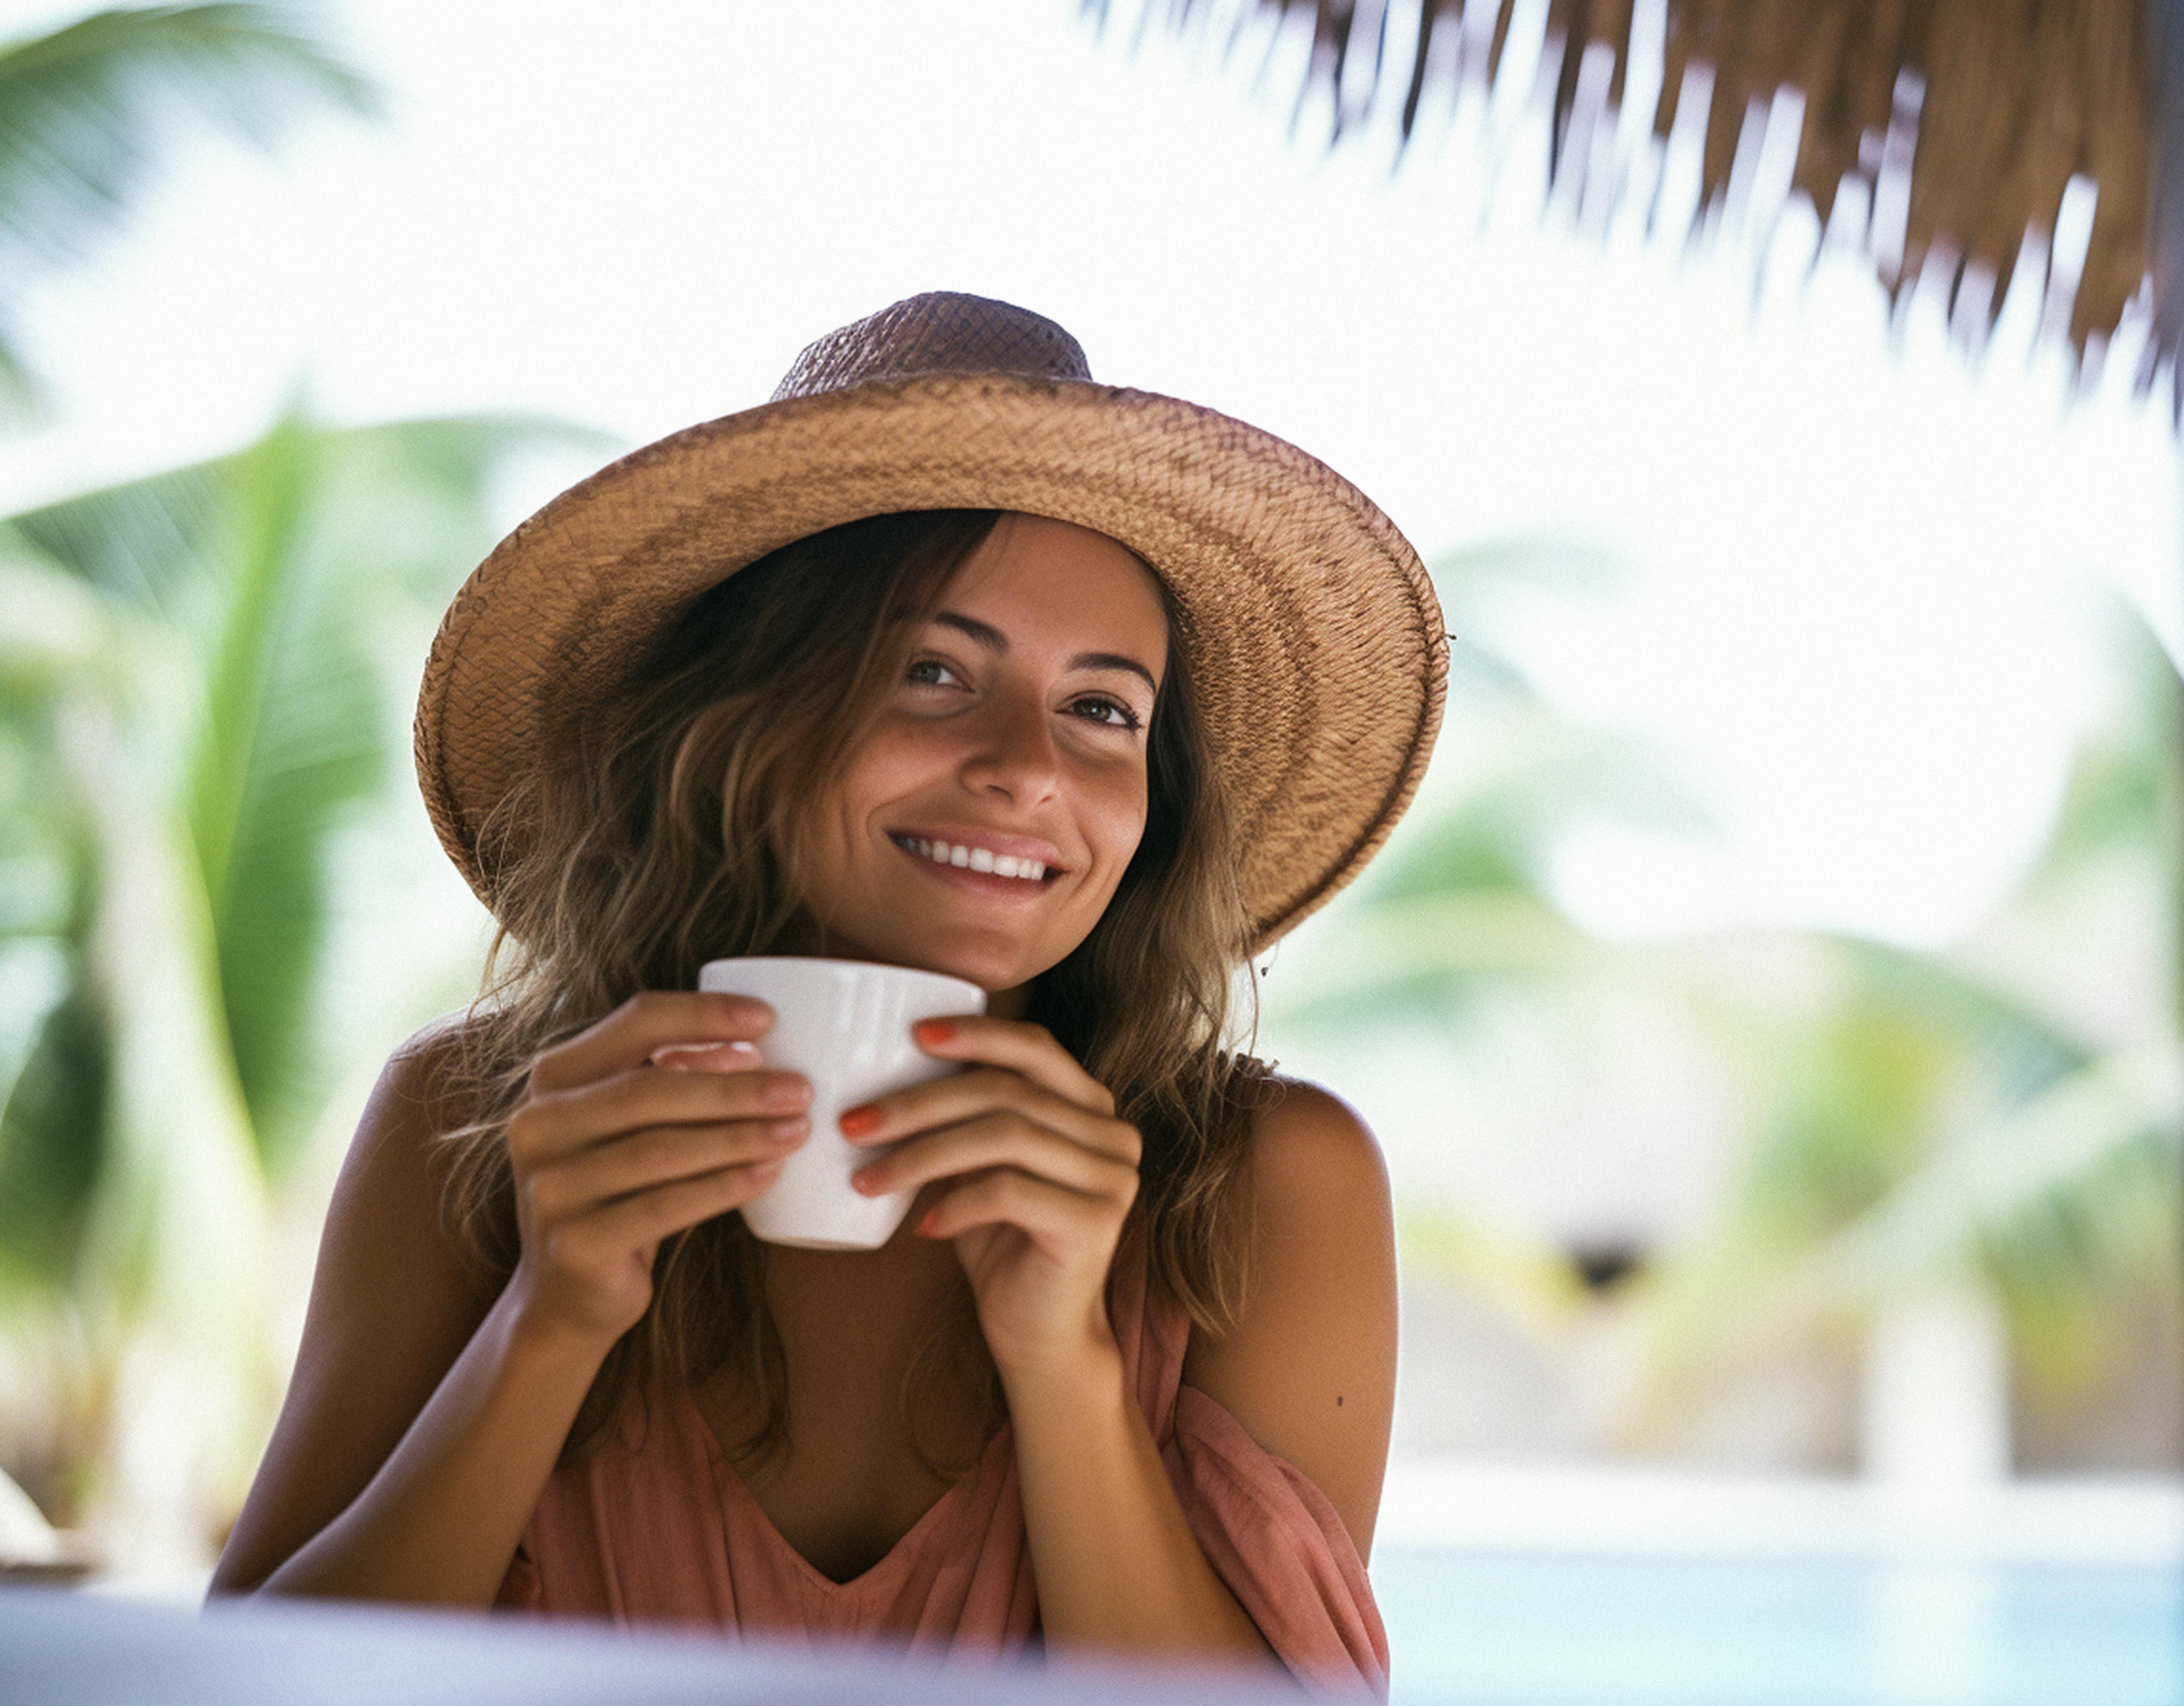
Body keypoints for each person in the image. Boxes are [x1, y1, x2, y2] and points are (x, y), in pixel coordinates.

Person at [207, 295, 1445, 1692]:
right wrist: (548, 1325)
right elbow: (255, 1687)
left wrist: (1066, 1370)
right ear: (745, 721)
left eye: (1104, 709)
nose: (1031, 769)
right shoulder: (479, 1129)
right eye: (932, 672)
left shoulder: (1270, 1184)